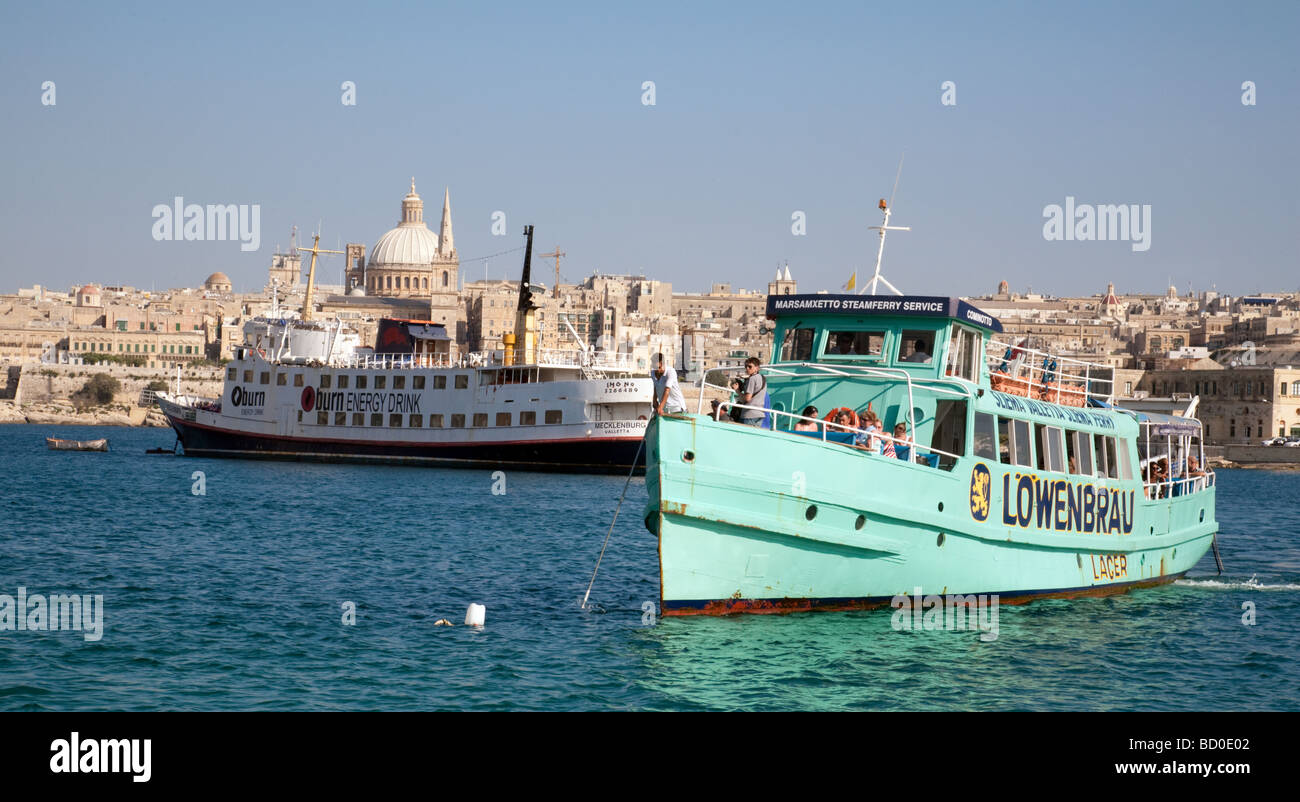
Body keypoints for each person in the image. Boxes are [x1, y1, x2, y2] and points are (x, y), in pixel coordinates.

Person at [737, 357, 767, 426]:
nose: (747, 368)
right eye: (746, 366)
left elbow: (747, 398)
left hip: (749, 414)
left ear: (757, 368)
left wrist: (737, 390)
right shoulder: (763, 378)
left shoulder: (752, 379)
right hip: (759, 414)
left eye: (750, 366)